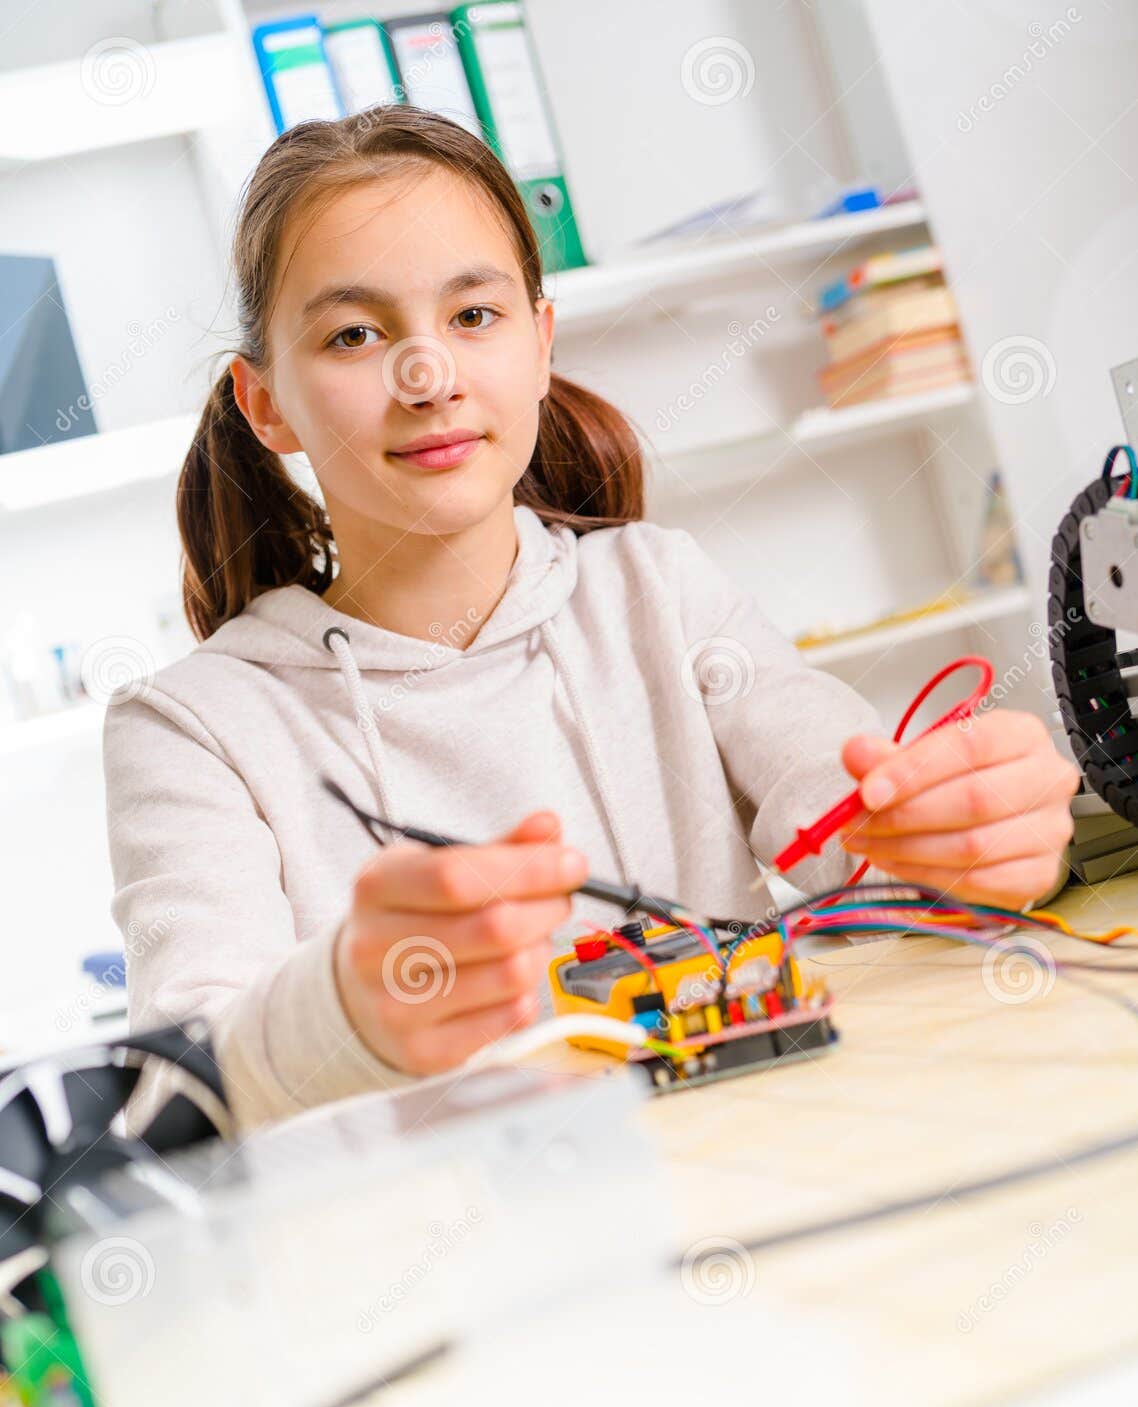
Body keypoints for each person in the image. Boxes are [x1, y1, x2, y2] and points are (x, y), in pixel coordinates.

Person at [103, 108, 1077, 1134]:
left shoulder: (660, 591)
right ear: (266, 406)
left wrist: (981, 838)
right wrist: (338, 1008)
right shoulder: (194, 728)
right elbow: (175, 1103)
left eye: (474, 316)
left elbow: (861, 822)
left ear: (539, 342)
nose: (428, 378)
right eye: (354, 333)